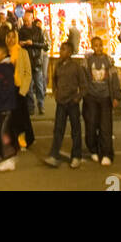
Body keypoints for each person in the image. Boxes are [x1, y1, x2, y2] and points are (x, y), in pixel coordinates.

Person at [44, 39, 88, 168]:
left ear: (69, 52)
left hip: (72, 102)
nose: (60, 51)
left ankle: (76, 156)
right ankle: (54, 154)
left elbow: (84, 85)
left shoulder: (76, 67)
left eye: (63, 49)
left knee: (75, 130)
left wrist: (77, 97)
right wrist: (55, 92)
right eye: (60, 49)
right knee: (58, 129)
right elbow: (54, 79)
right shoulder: (58, 65)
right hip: (61, 102)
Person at [82, 35, 121, 166]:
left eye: (100, 45)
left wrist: (116, 96)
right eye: (96, 45)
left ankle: (106, 153)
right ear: (92, 46)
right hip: (91, 97)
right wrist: (83, 93)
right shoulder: (87, 61)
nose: (98, 48)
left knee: (106, 127)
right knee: (91, 124)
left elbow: (114, 78)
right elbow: (82, 77)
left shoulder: (109, 60)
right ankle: (93, 149)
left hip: (105, 97)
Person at [0, 45, 18, 171]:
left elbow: (8, 88)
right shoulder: (1, 68)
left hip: (5, 105)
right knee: (2, 130)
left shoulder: (4, 68)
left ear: (3, 54)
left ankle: (9, 157)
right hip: (1, 105)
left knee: (3, 131)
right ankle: (7, 154)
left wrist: (1, 102)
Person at [5, 30, 34, 148]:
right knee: (9, 117)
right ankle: (12, 140)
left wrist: (23, 90)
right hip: (7, 90)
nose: (11, 39)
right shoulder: (4, 53)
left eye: (13, 37)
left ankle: (24, 140)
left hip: (19, 89)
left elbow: (28, 73)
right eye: (9, 37)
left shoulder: (23, 53)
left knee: (21, 117)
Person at [19, 9, 45, 116]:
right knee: (28, 86)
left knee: (39, 84)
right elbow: (18, 44)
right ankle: (31, 106)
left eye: (27, 21)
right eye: (24, 21)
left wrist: (32, 43)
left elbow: (43, 44)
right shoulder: (21, 31)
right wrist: (21, 43)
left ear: (31, 19)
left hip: (36, 60)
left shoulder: (38, 30)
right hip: (27, 61)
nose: (26, 23)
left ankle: (41, 105)